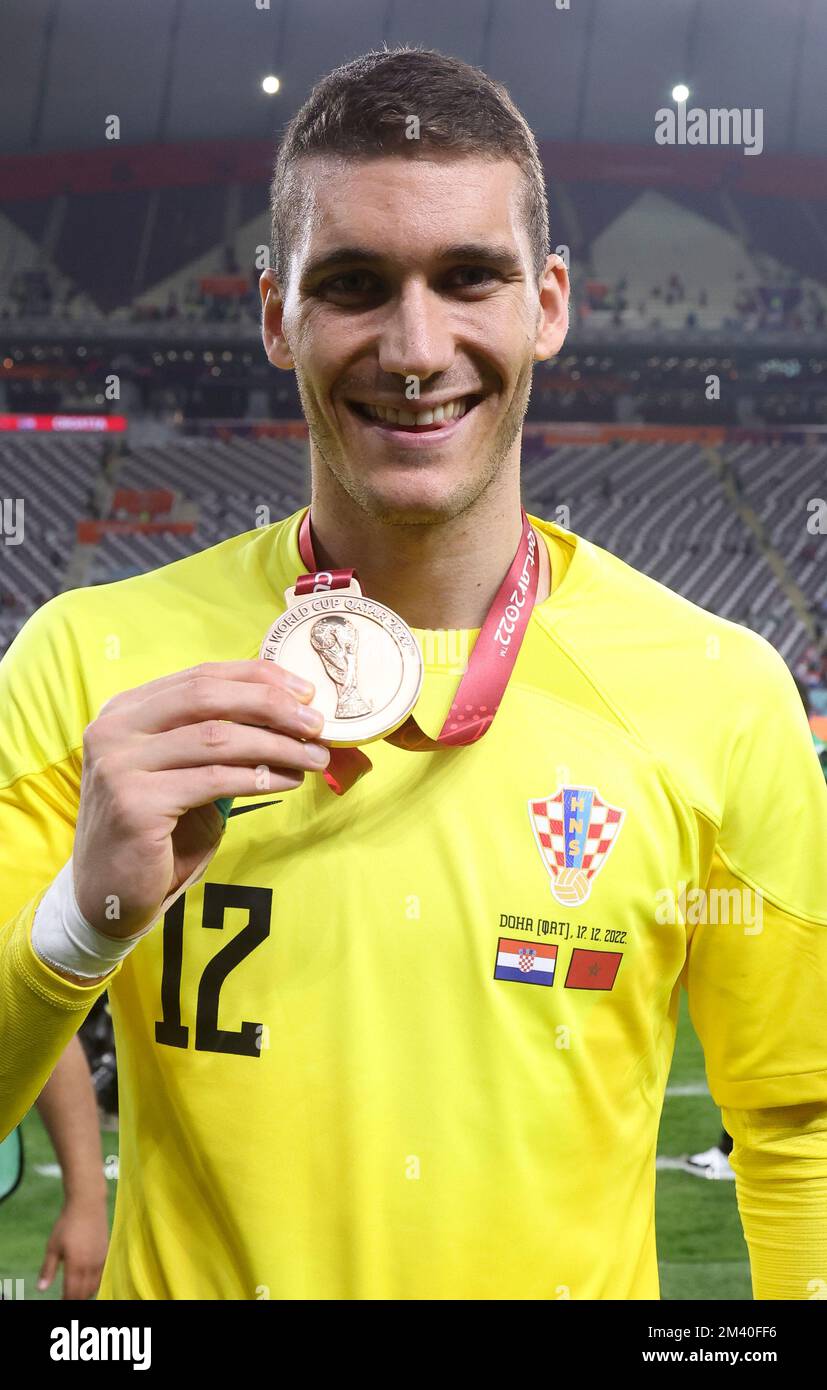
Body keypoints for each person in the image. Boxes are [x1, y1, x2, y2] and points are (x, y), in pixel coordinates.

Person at [1, 47, 826, 1301]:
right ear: (274, 312)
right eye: (353, 284)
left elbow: (797, 1127)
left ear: (547, 302)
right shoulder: (85, 662)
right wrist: (84, 921)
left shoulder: (721, 693)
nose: (413, 345)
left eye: (467, 277)